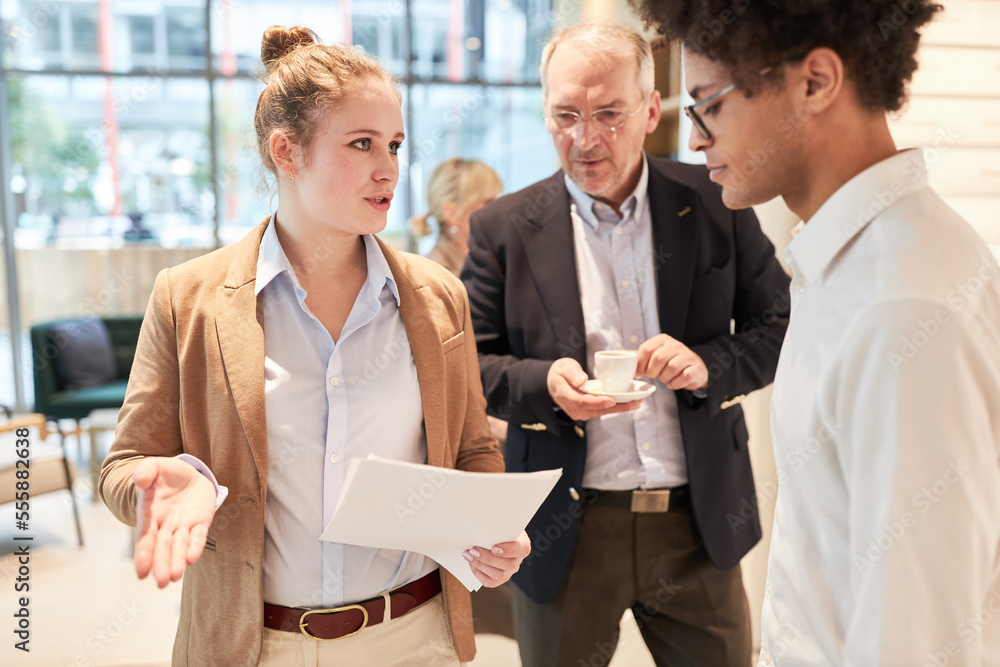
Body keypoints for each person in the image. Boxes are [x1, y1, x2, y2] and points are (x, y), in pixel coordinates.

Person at [100, 26, 529, 667]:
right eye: (361, 144)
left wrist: (489, 530)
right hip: (253, 645)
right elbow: (124, 467)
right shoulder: (187, 299)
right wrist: (167, 482)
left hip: (413, 638)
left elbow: (471, 447)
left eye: (394, 144)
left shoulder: (438, 297)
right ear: (286, 152)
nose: (389, 167)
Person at [635, 1, 1000, 664]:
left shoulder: (901, 305)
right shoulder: (847, 267)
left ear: (815, 82)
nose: (694, 139)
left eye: (708, 105)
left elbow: (917, 637)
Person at [462, 20, 790, 667]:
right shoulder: (501, 228)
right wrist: (542, 383)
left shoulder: (717, 198)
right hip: (563, 527)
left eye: (609, 114)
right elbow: (469, 361)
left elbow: (781, 322)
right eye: (565, 116)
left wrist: (709, 365)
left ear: (648, 111)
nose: (585, 139)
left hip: (697, 523)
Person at [411, 158, 502, 277]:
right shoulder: (436, 276)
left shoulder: (478, 261)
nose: (499, 210)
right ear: (452, 213)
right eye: (489, 203)